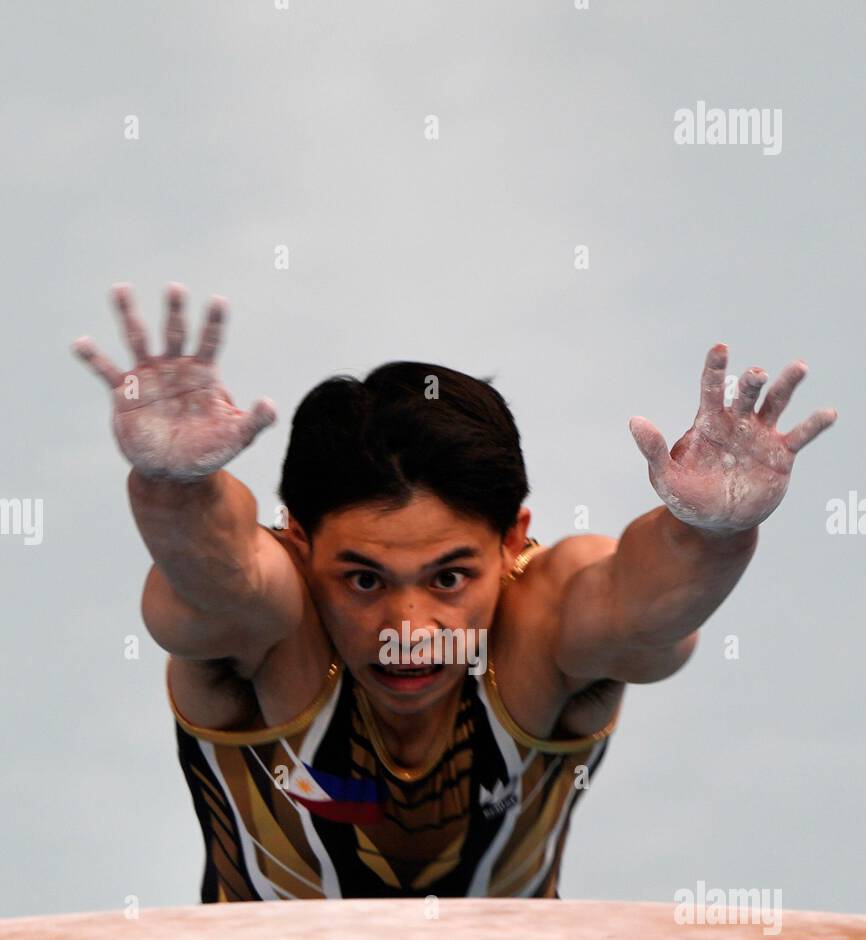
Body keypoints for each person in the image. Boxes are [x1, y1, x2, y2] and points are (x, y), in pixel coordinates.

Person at [72, 283, 837, 901]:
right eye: (364, 578)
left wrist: (706, 533)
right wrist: (174, 490)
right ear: (299, 544)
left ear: (513, 541)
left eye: (449, 577)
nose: (409, 625)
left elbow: (645, 613)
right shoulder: (268, 626)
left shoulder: (544, 626)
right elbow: (216, 576)